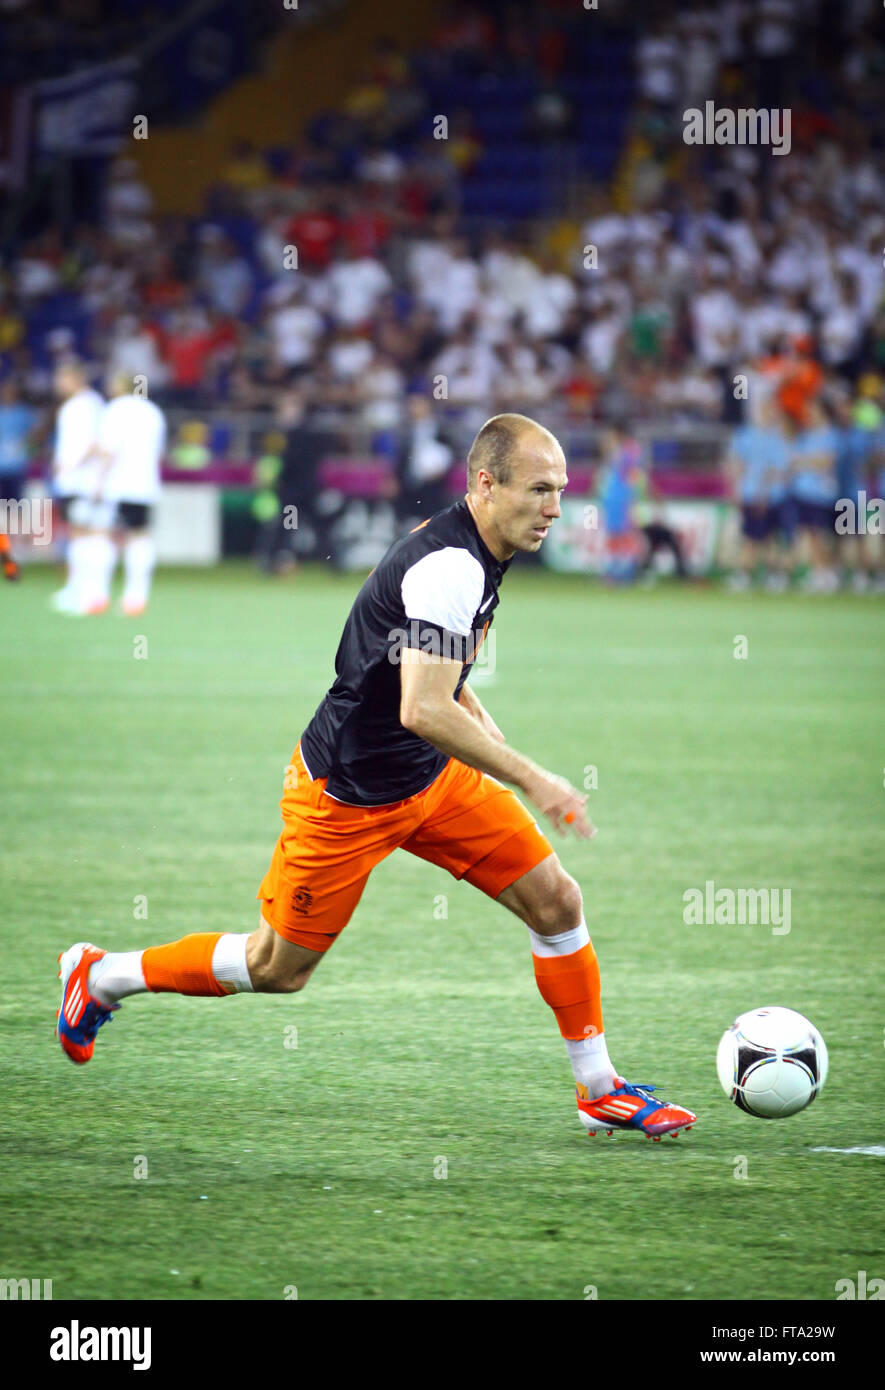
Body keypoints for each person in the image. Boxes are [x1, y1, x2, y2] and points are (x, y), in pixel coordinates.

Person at [56, 413, 696, 1141]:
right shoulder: (451, 563)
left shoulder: (476, 547)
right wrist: (533, 777)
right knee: (277, 967)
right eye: (540, 489)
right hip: (347, 794)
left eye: (561, 489)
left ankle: (600, 1089)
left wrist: (480, 721)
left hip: (432, 781)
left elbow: (427, 654)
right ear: (485, 484)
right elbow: (422, 707)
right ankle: (103, 975)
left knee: (555, 903)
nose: (555, 506)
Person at [91, 373, 167, 615]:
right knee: (139, 537)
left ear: (120, 385)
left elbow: (108, 450)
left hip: (116, 485)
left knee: (104, 536)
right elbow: (159, 452)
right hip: (144, 484)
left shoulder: (114, 410)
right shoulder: (153, 412)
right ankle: (136, 598)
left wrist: (98, 482)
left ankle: (99, 595)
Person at [48, 360, 104, 614]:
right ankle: (79, 588)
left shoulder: (86, 405)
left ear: (75, 378)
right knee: (78, 534)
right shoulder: (78, 405)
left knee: (83, 534)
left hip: (81, 481)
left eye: (61, 378)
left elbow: (95, 443)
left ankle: (85, 591)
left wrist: (70, 465)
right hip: (72, 481)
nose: (57, 384)